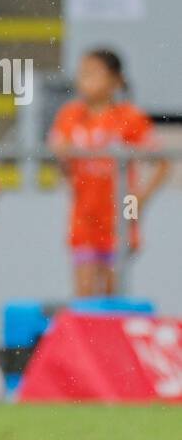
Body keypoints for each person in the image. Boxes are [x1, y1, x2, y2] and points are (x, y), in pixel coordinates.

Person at [48, 49, 169, 298]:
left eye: (93, 73)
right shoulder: (70, 116)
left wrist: (140, 199)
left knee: (113, 295)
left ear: (114, 81)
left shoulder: (129, 117)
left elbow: (161, 162)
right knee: (84, 294)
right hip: (84, 218)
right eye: (82, 74)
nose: (84, 80)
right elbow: (61, 166)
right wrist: (62, 159)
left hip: (118, 219)